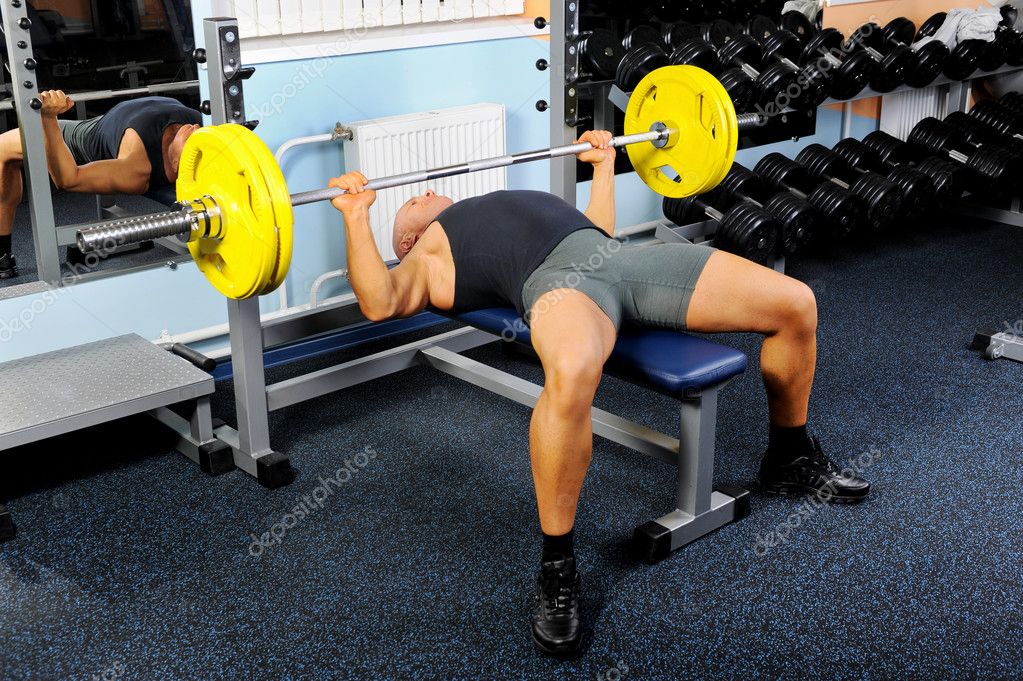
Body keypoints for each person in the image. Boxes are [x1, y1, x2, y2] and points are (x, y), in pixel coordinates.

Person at [327, 130, 871, 657]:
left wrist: (605, 167)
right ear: (407, 241)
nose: (422, 192)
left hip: (624, 260)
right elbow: (380, 301)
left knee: (796, 302)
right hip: (562, 286)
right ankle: (558, 566)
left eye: (422, 191)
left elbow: (599, 232)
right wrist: (356, 217)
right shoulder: (428, 254)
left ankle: (789, 457)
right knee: (571, 369)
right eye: (412, 203)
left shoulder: (502, 200)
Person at [0, 92, 201, 279]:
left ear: (176, 165)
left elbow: (69, 178)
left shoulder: (136, 169)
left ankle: (1, 257)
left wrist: (48, 119)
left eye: (192, 143)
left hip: (83, 136)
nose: (195, 129)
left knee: (2, 149)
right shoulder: (206, 128)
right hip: (110, 120)